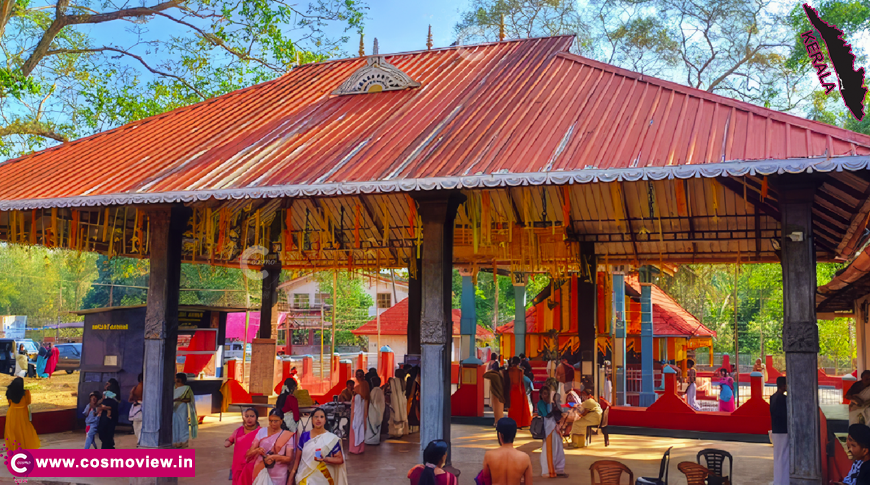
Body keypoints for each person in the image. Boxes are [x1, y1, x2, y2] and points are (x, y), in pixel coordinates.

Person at [292, 407, 348, 485]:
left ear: (325, 420)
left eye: (321, 417)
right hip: (304, 476)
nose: (318, 419)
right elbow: (297, 459)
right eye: (316, 417)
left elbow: (340, 459)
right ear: (312, 419)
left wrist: (325, 459)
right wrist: (293, 473)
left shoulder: (331, 438)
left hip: (323, 477)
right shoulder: (304, 436)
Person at [244, 408, 295, 485]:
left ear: (281, 420)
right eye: (271, 421)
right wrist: (257, 450)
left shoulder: (287, 435)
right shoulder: (262, 431)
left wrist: (274, 457)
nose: (273, 423)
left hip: (279, 475)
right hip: (261, 470)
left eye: (276, 421)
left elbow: (289, 458)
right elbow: (249, 453)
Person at [481, 418, 533, 485]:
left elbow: (485, 479)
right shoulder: (524, 457)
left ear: (500, 434)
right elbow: (529, 483)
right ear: (514, 434)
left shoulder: (489, 455)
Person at [534, 386, 565, 478]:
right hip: (548, 428)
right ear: (541, 394)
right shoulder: (541, 403)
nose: (546, 396)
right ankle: (548, 470)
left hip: (554, 427)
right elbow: (546, 414)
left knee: (558, 447)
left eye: (547, 393)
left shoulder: (551, 404)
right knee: (549, 449)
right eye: (544, 393)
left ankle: (558, 469)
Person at [226, 407, 260, 485]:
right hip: (237, 466)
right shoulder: (238, 431)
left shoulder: (261, 432)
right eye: (247, 416)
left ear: (256, 418)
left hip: (252, 467)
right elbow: (230, 440)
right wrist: (228, 441)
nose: (249, 419)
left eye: (252, 416)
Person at [4, 377, 40, 451]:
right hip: (22, 414)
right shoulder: (26, 392)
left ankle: (13, 450)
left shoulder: (9, 392)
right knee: (24, 432)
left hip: (12, 413)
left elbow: (9, 403)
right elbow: (28, 402)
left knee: (13, 433)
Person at [770, 377, 788, 485]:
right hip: (783, 431)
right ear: (783, 386)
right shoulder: (784, 399)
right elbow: (785, 415)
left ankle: (778, 480)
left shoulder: (773, 397)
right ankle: (783, 481)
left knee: (778, 457)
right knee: (784, 458)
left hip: (776, 430)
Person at [173, 372, 198, 448]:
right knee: (174, 424)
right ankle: (175, 441)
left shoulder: (187, 388)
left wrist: (179, 399)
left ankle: (183, 441)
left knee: (183, 423)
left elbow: (189, 399)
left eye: (176, 378)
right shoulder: (173, 387)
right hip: (173, 409)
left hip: (182, 407)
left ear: (180, 379)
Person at [507, 357, 532, 428]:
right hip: (519, 390)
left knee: (512, 408)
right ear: (519, 363)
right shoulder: (520, 371)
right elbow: (521, 382)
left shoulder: (509, 370)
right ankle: (519, 423)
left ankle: (511, 422)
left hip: (511, 390)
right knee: (519, 408)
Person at [349, 369, 370, 454]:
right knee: (359, 429)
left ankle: (356, 449)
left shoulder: (361, 386)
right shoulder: (361, 385)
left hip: (358, 412)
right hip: (358, 412)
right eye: (358, 375)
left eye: (361, 375)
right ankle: (359, 448)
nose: (359, 376)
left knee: (356, 428)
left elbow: (365, 399)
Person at [98, 379, 119, 449]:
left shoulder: (114, 396)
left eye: (108, 385)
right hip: (104, 416)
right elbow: (99, 403)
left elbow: (113, 406)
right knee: (102, 432)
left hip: (111, 418)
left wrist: (105, 408)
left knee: (108, 434)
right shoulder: (105, 394)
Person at [387, 372, 408, 438]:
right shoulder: (402, 382)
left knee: (394, 415)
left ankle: (394, 433)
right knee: (400, 415)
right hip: (402, 401)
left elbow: (389, 389)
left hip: (394, 401)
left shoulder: (392, 381)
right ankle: (400, 433)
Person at [366, 376, 385, 445]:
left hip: (373, 411)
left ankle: (371, 440)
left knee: (372, 426)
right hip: (379, 411)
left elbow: (372, 402)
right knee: (377, 426)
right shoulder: (380, 391)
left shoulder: (374, 391)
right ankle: (376, 440)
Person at [129, 372, 144, 442]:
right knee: (141, 428)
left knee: (136, 429)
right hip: (143, 407)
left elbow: (130, 399)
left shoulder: (135, 388)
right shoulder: (147, 387)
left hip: (136, 408)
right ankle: (140, 442)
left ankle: (139, 442)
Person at [407, 366, 421, 430]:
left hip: (414, 400)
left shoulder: (412, 381)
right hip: (418, 399)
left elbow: (412, 393)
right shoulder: (421, 380)